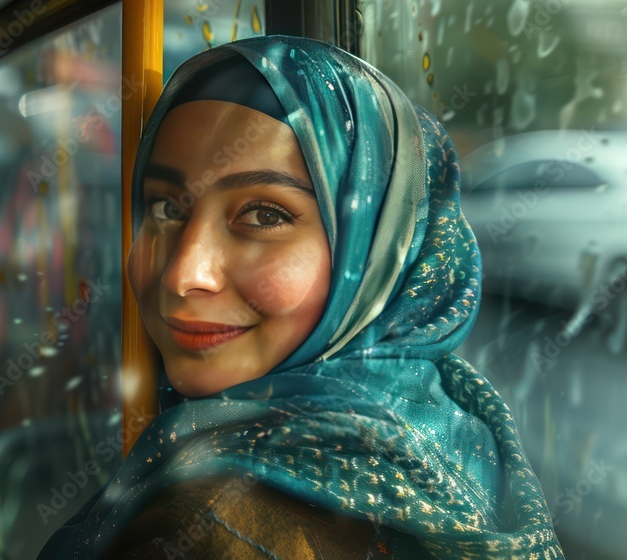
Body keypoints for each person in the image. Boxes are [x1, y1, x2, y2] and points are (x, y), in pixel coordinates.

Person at [38, 36, 563, 559]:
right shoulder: (460, 428)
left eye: (265, 214)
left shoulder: (205, 528)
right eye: (165, 208)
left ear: (378, 249)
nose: (183, 275)